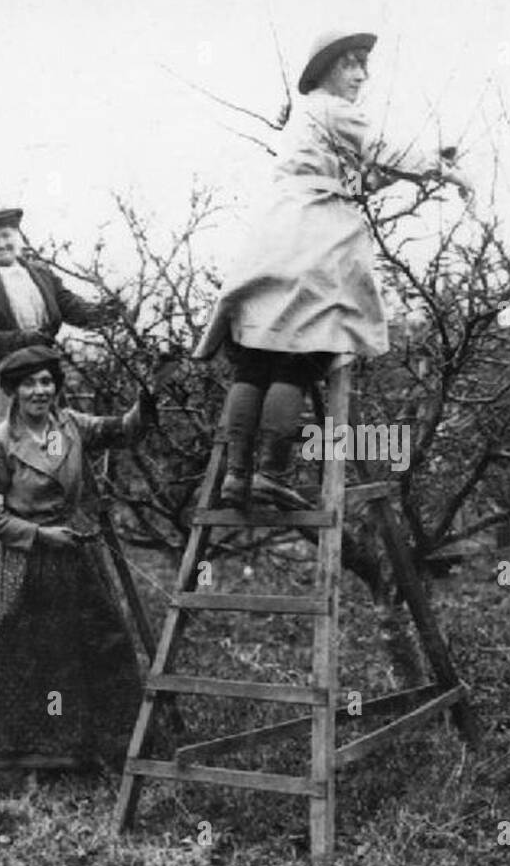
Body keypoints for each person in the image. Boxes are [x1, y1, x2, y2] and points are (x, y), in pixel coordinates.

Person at [193, 29, 473, 508]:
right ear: (325, 70)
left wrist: (414, 169)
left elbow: (359, 177)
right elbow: (385, 149)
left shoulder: (306, 117)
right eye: (350, 64)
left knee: (256, 359)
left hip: (274, 234)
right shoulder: (330, 107)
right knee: (303, 354)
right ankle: (271, 472)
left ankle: (236, 477)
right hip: (313, 239)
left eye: (363, 64)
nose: (361, 75)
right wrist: (446, 171)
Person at [0, 345, 149, 778]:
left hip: (76, 558)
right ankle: (31, 759)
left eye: (47, 381)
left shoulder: (69, 425)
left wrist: (149, 394)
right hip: (28, 565)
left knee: (98, 645)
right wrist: (39, 536)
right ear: (14, 390)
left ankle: (102, 749)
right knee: (28, 658)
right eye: (30, 383)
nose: (40, 390)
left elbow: (124, 429)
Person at [0, 206, 123, 597]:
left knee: (53, 449)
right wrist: (29, 342)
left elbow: (77, 310)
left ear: (19, 236)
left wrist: (113, 311)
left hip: (41, 377)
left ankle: (59, 531)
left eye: (7, 235)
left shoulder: (42, 275)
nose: (1, 243)